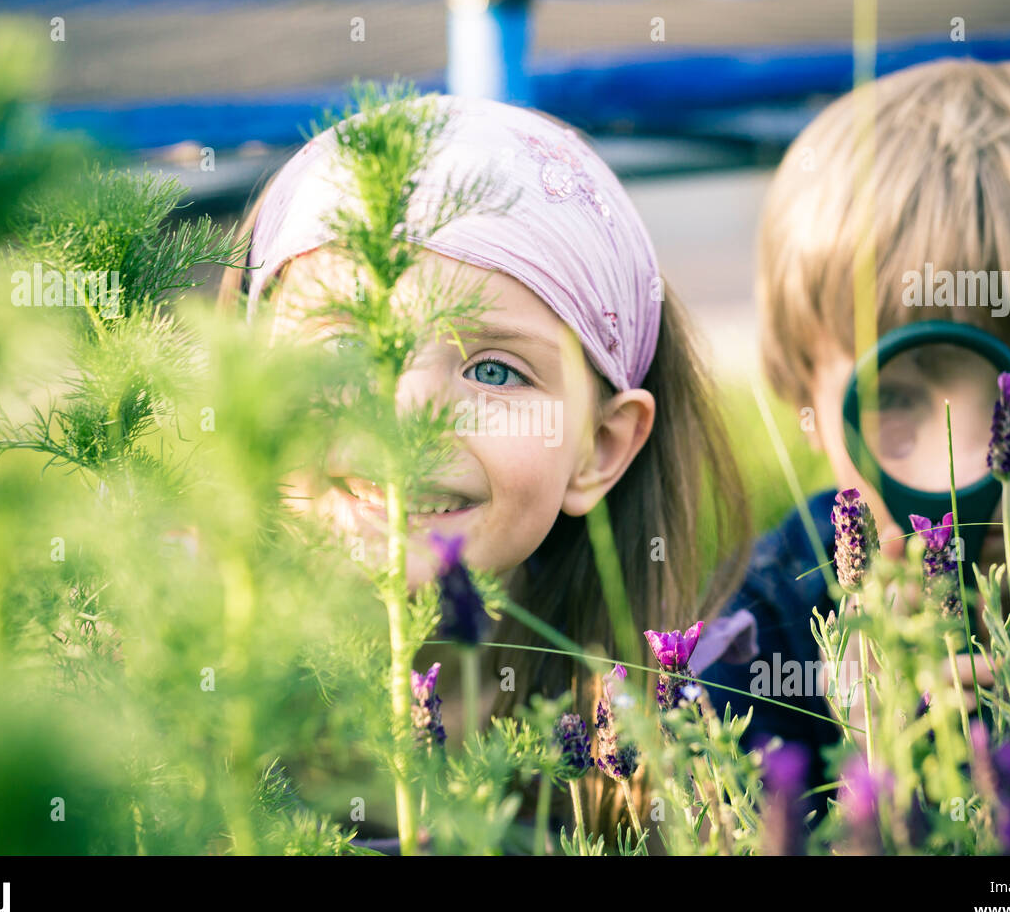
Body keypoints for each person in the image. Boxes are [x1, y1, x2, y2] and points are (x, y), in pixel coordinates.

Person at [217, 94, 753, 844]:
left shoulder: (676, 748)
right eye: (345, 347)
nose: (405, 416)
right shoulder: (159, 703)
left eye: (495, 372)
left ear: (600, 449)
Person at [699, 59, 1010, 787]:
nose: (969, 456)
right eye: (898, 397)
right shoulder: (759, 638)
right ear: (805, 402)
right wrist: (875, 766)